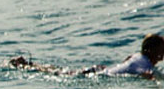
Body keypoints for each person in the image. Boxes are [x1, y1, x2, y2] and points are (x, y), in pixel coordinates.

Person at [9, 33, 164, 78]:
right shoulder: (145, 64)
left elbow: (128, 59)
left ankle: (28, 64)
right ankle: (24, 65)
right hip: (100, 74)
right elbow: (146, 74)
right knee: (61, 74)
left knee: (61, 71)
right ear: (154, 50)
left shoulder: (138, 56)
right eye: (162, 49)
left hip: (101, 70)